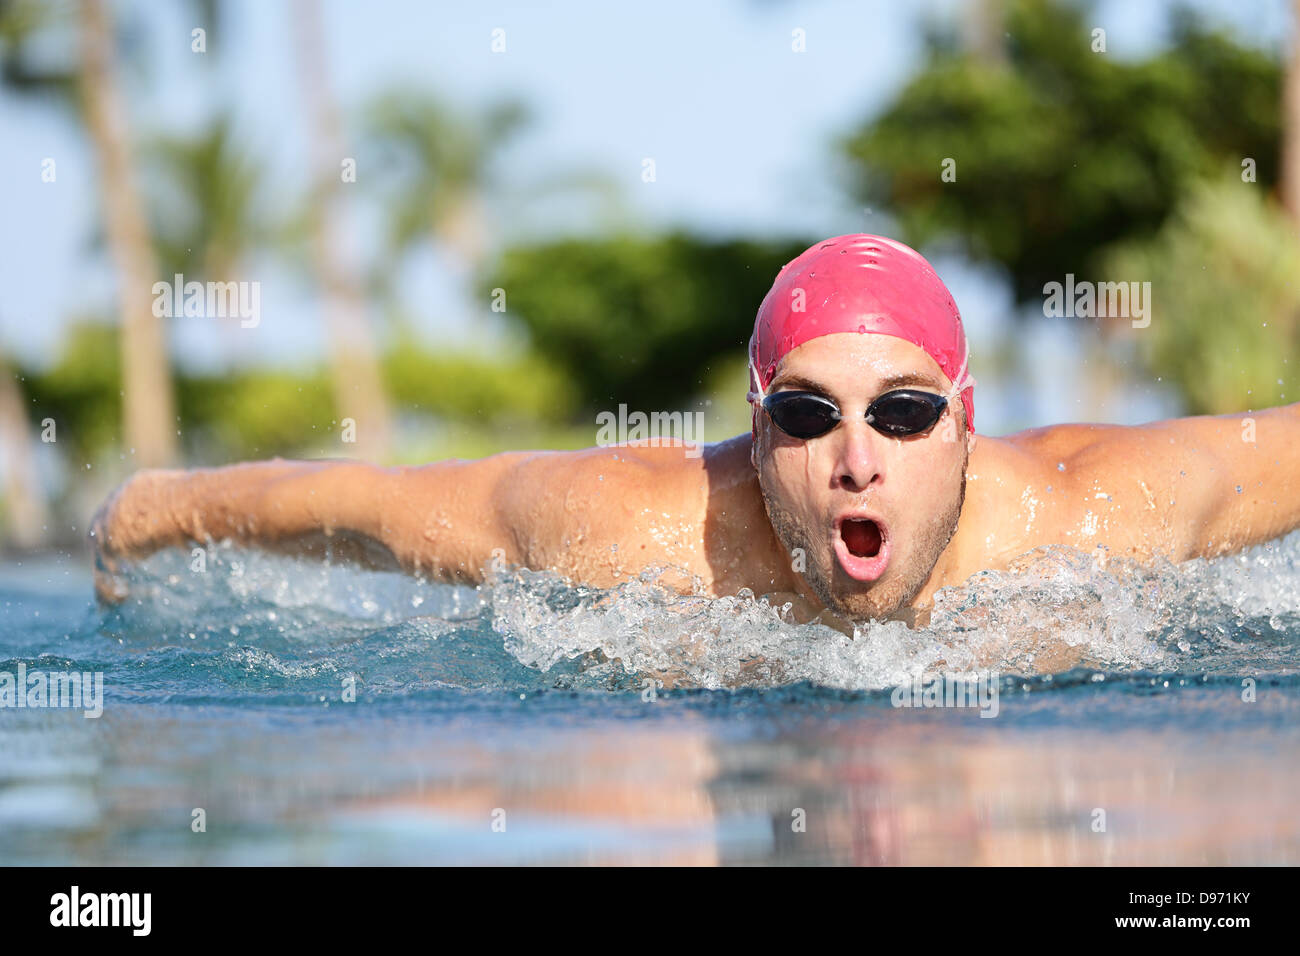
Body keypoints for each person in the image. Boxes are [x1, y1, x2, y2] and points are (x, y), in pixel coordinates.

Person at [90, 234, 1300, 628]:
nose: (857, 455)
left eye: (905, 410)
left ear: (967, 424)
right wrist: (148, 509)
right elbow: (357, 501)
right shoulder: (637, 531)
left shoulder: (1100, 516)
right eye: (808, 413)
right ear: (758, 427)